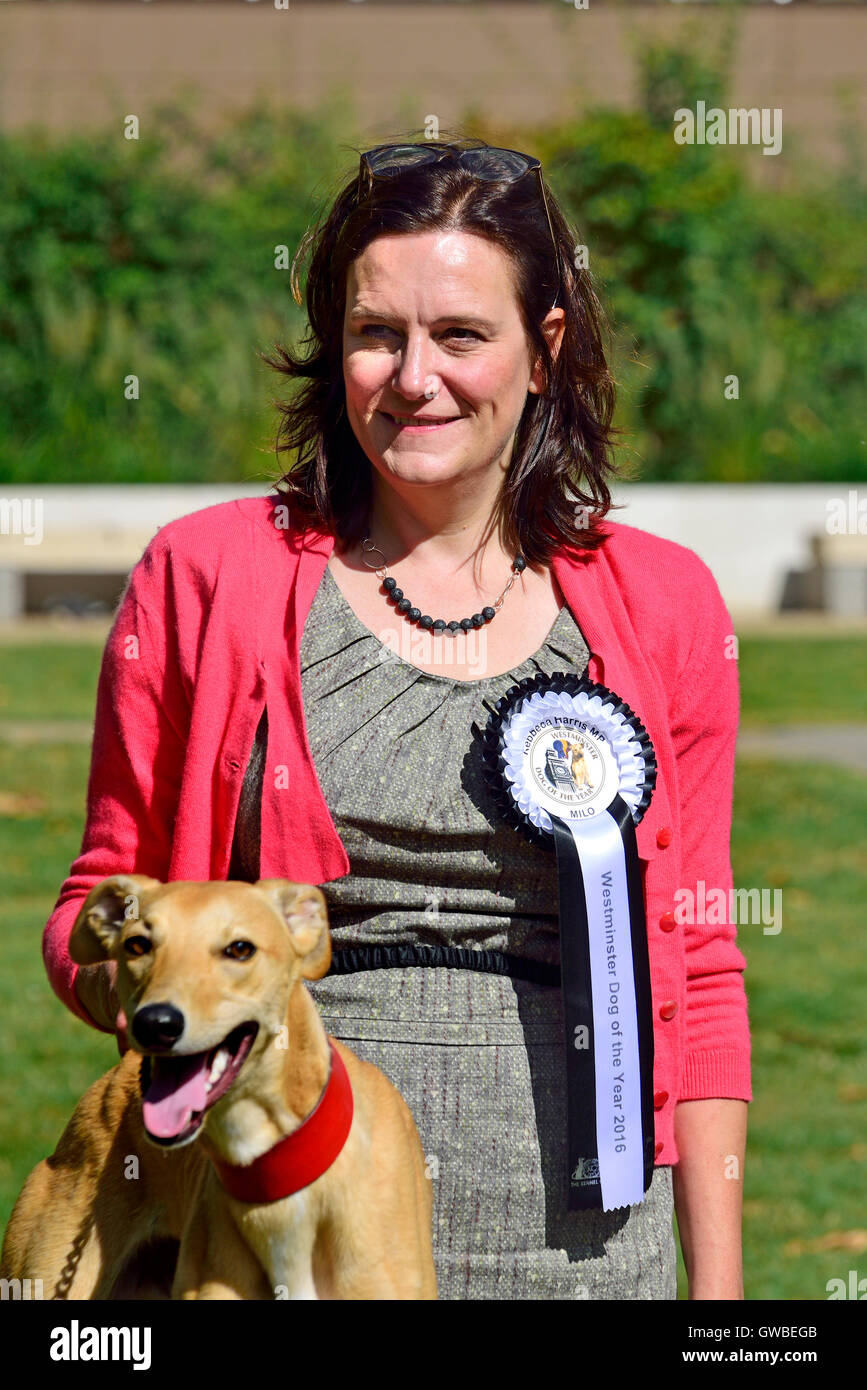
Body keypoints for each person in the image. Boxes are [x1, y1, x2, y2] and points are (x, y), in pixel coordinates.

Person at [44, 136, 751, 1300]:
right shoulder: (204, 576)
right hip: (278, 1246)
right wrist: (174, 1005)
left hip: (581, 1246)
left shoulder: (663, 603)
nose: (414, 376)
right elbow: (94, 905)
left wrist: (717, 1307)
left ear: (546, 349)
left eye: (462, 335)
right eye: (377, 334)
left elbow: (706, 968)